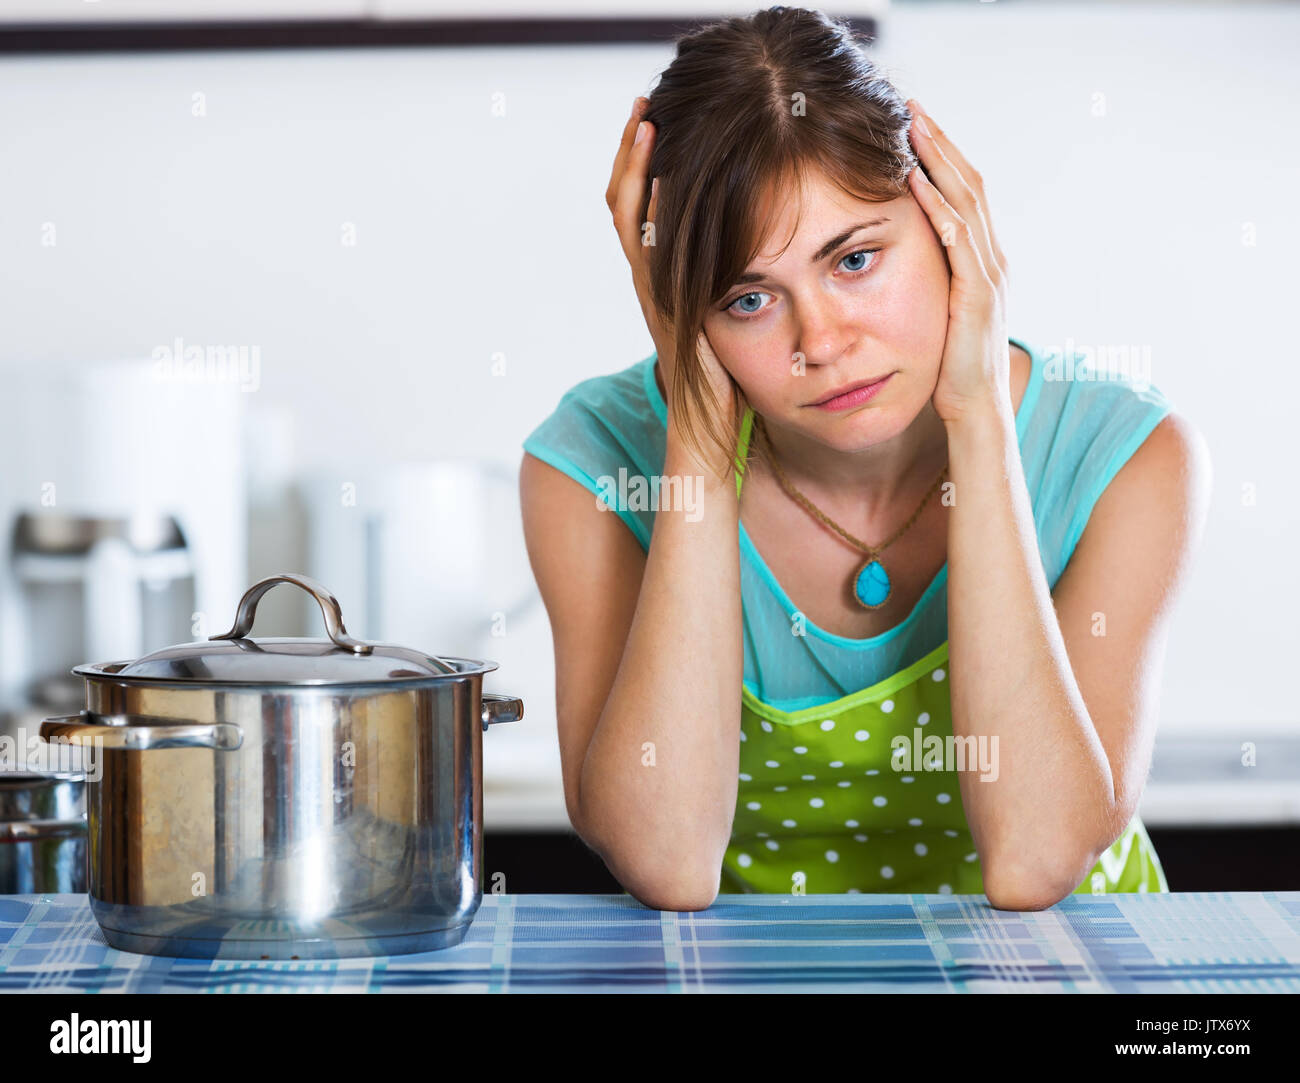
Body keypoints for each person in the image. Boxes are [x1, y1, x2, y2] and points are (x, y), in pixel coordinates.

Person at [519, 6, 1211, 911]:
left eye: (854, 260)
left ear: (947, 221)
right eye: (748, 300)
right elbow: (667, 862)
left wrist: (979, 421)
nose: (821, 342)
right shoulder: (593, 466)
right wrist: (695, 431)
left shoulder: (1127, 455)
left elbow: (1037, 861)